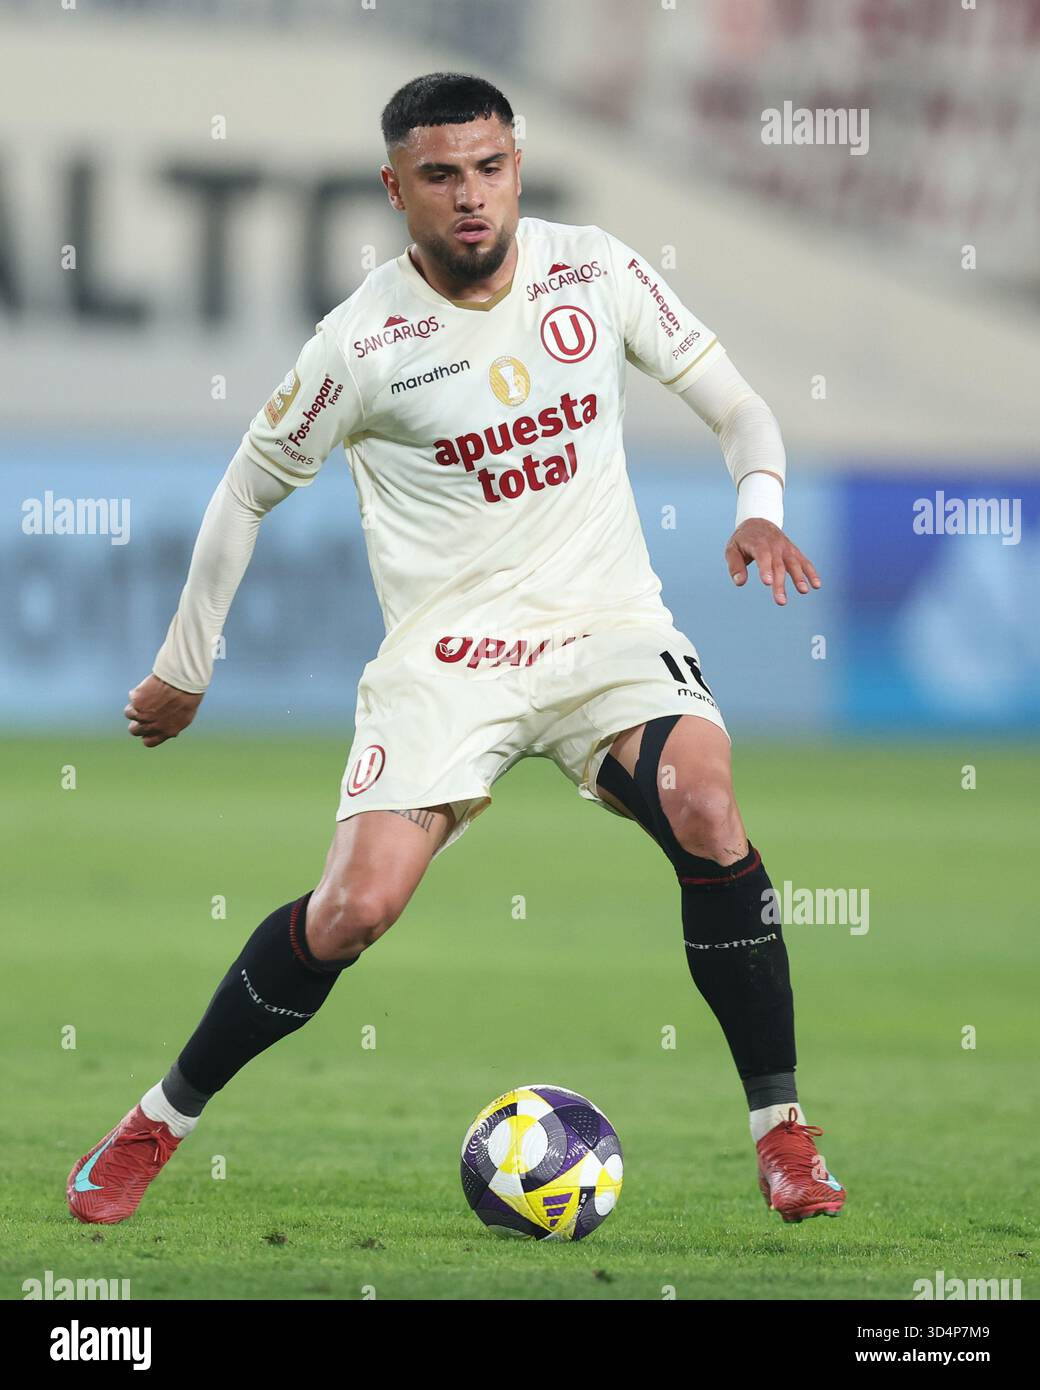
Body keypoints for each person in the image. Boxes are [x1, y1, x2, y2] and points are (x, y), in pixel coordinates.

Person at [67, 72, 844, 1228]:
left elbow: (736, 407)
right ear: (395, 189)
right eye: (440, 176)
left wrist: (759, 500)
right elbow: (242, 495)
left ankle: (780, 1133)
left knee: (705, 804)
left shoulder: (594, 268)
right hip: (448, 658)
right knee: (351, 913)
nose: (469, 196)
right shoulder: (359, 343)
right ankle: (153, 1122)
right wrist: (188, 661)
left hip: (605, 631)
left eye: (487, 168)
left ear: (517, 166)